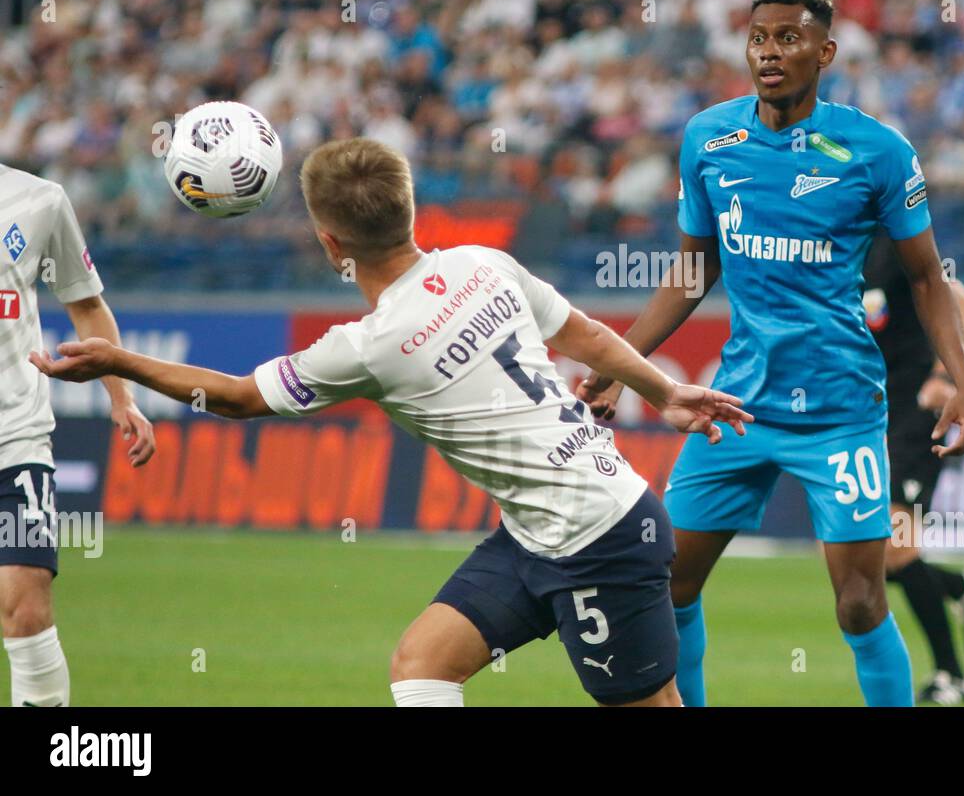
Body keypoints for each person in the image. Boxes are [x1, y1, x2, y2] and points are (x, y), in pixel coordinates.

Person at [30, 138, 752, 708]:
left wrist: (120, 361)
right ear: (410, 210)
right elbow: (585, 335)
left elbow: (238, 398)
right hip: (542, 530)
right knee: (422, 665)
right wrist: (663, 391)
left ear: (330, 245)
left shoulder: (369, 346)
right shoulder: (484, 264)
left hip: (599, 537)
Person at [578, 0, 964, 707]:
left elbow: (929, 278)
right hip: (736, 407)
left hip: (840, 414)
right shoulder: (708, 138)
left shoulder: (878, 150)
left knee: (860, 602)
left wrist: (960, 378)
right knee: (668, 582)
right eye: (758, 37)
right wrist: (623, 364)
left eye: (789, 38)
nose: (769, 51)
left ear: (824, 52)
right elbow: (693, 269)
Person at [2, 163, 156, 707]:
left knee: (26, 609)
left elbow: (87, 306)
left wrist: (122, 397)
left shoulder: (39, 200)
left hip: (14, 440)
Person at [864, 233, 964, 705]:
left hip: (917, 413)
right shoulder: (835, 245)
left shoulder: (894, 242)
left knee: (895, 548)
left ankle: (952, 676)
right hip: (869, 413)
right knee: (855, 559)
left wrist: (945, 376)